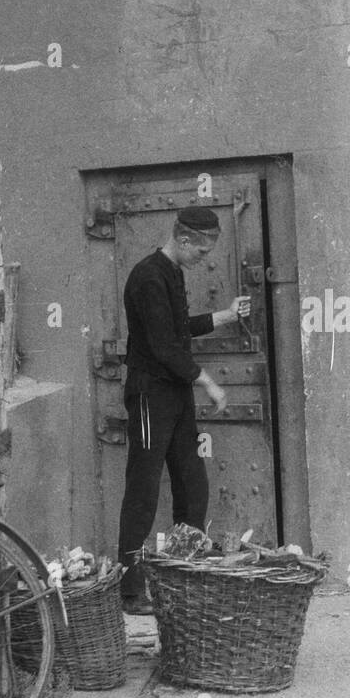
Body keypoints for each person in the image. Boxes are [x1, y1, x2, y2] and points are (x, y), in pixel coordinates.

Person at [117, 206, 250, 611]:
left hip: (174, 393)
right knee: (142, 490)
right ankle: (131, 590)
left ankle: (182, 571)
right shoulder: (147, 276)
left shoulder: (171, 273)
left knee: (192, 483)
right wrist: (206, 380)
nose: (203, 259)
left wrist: (224, 316)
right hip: (148, 394)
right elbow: (161, 346)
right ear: (185, 238)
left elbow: (177, 329)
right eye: (203, 251)